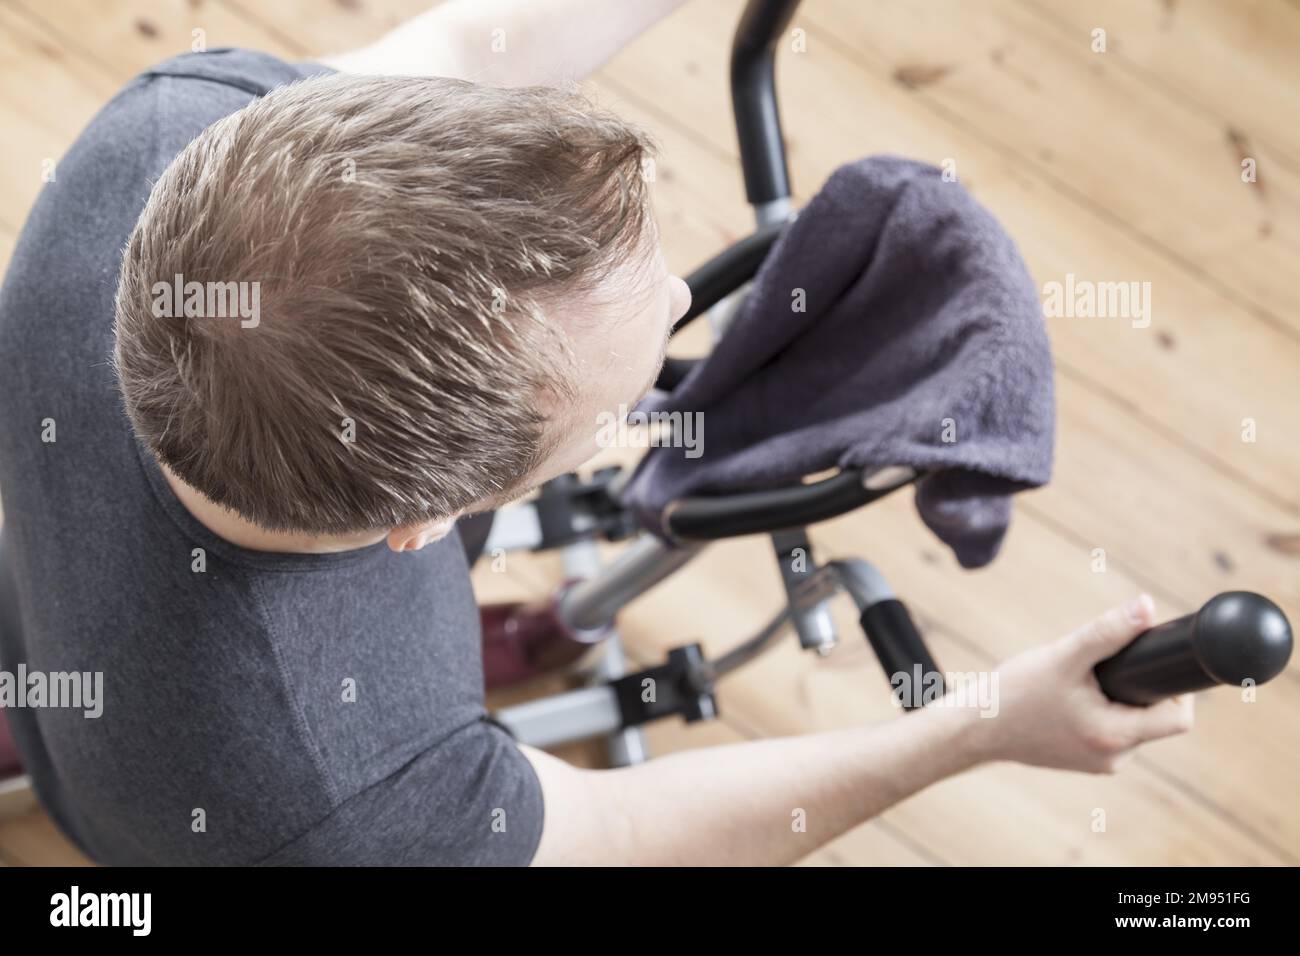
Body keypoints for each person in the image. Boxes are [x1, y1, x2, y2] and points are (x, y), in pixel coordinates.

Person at [0, 0, 1192, 866]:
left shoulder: (168, 140)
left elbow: (470, 47)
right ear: (419, 523)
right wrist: (975, 730)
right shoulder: (351, 800)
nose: (684, 304)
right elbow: (619, 828)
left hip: (53, 612)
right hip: (151, 819)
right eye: (611, 408)